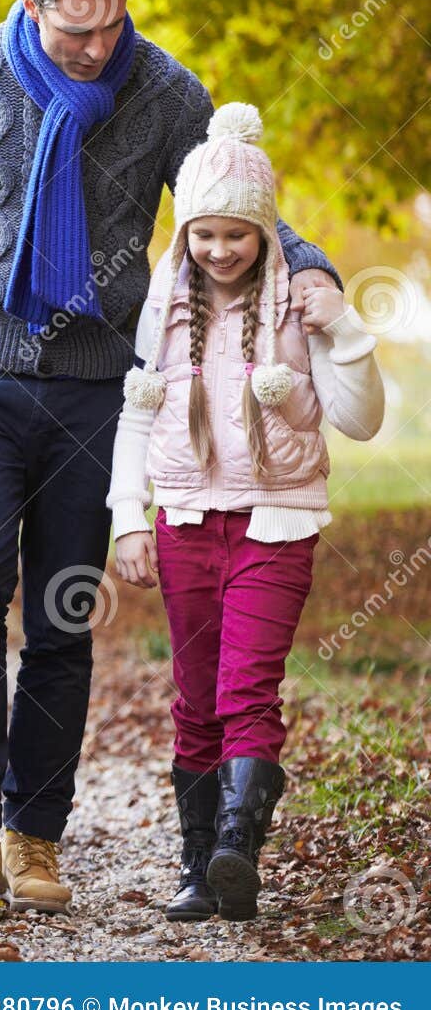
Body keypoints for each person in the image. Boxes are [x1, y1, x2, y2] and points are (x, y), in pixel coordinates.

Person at [0, 0, 340, 913]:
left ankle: (36, 832)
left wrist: (314, 268)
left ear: (126, 7)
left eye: (104, 30)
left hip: (96, 389)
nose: (87, 51)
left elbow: (234, 204)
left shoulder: (165, 91)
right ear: (30, 3)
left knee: (59, 611)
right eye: (66, 33)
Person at [109, 103, 383, 922]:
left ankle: (237, 847)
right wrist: (129, 514)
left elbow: (361, 419)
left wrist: (350, 330)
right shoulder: (163, 303)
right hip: (185, 519)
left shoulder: (304, 302)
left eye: (237, 234)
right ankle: (198, 865)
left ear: (265, 231)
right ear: (185, 230)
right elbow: (134, 413)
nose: (220, 249)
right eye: (204, 233)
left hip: (277, 521)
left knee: (247, 690)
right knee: (193, 698)